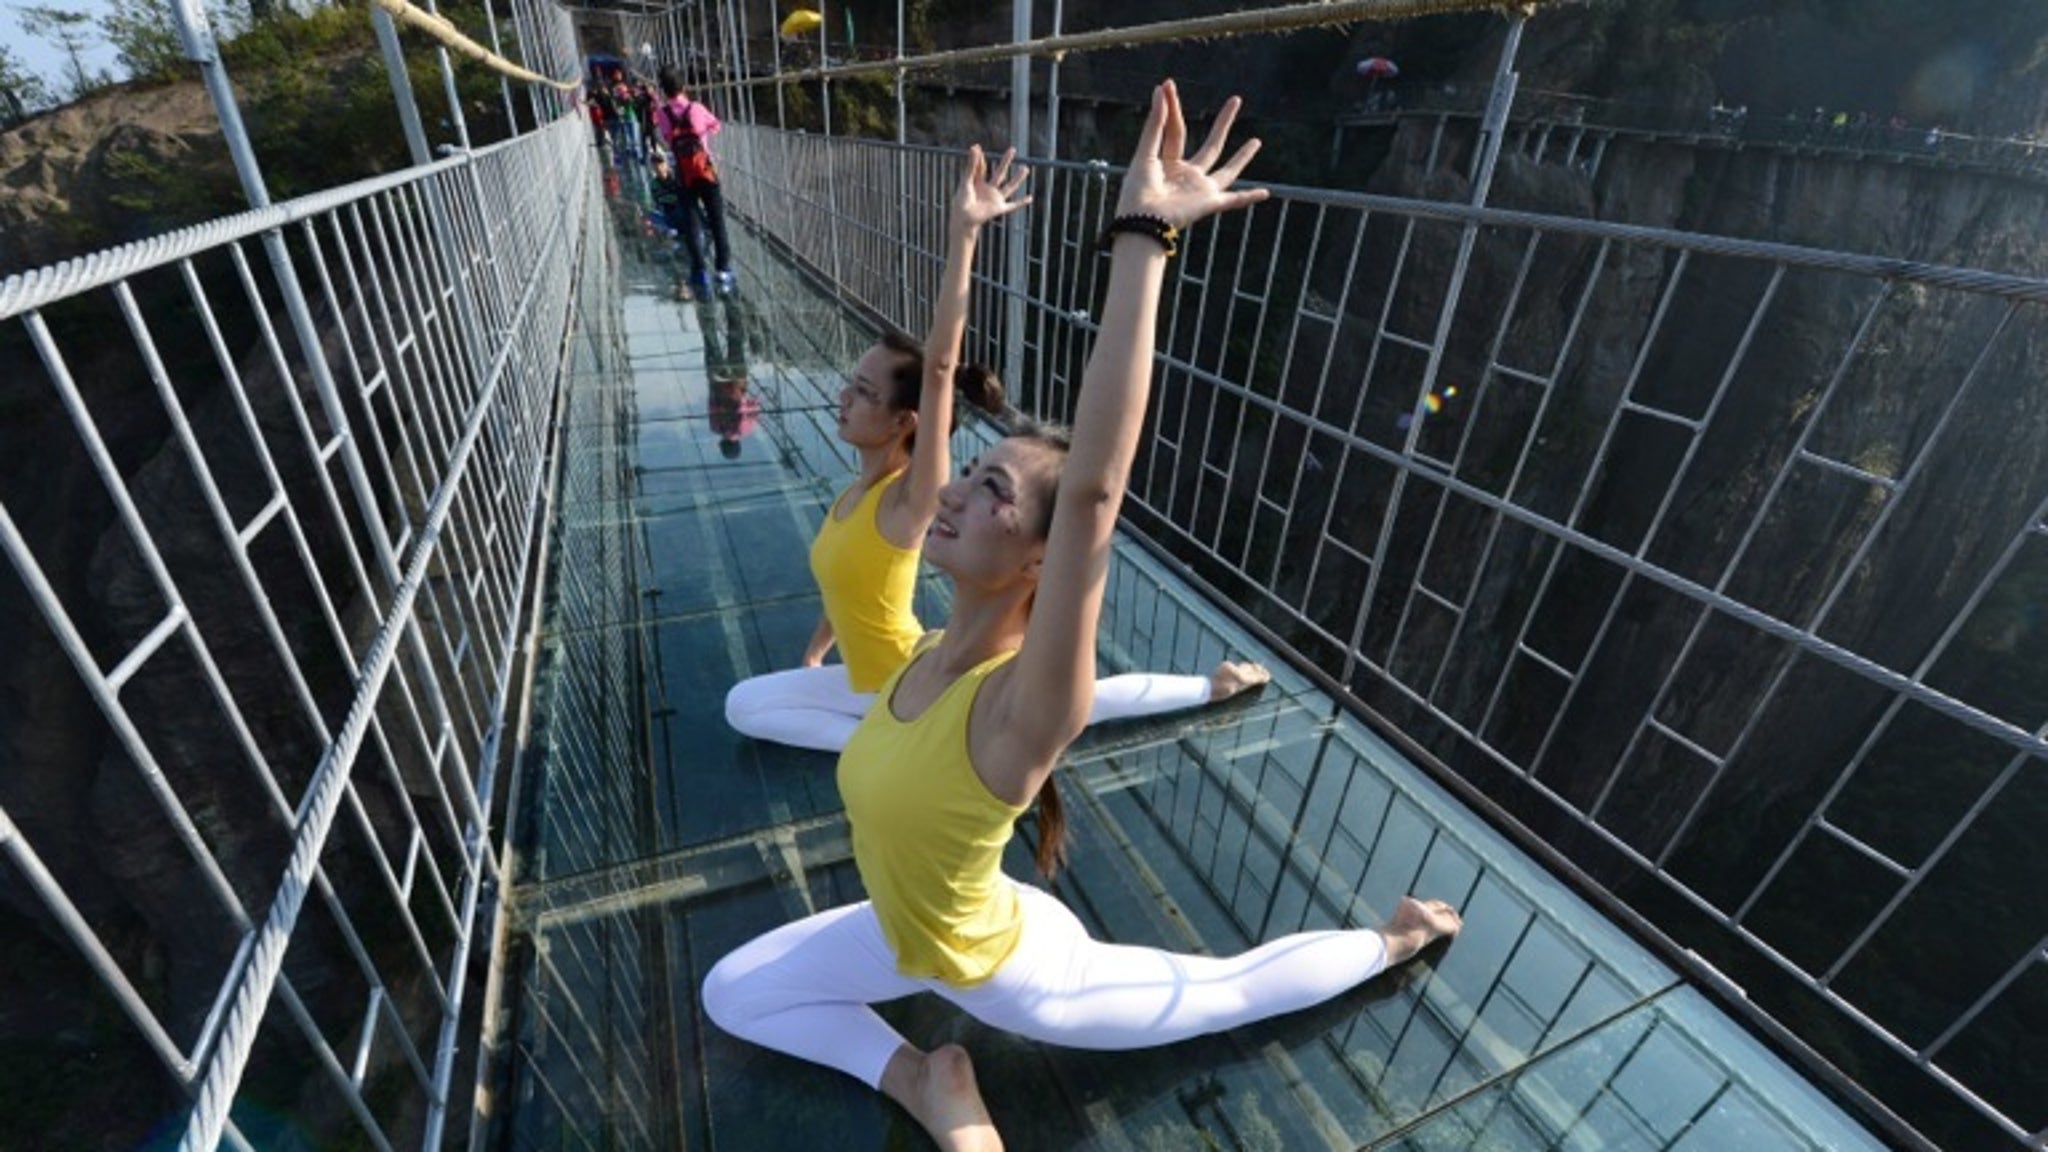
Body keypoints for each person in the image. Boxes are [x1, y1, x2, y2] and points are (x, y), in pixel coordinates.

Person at [701, 82, 1462, 1151]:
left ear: (1042, 559)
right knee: (731, 991)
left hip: (1016, 973)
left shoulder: (1022, 700)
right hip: (904, 935)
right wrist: (962, 243)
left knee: (1221, 993)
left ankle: (1389, 939)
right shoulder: (921, 650)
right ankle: (923, 1078)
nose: (958, 492)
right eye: (967, 470)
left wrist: (1143, 238)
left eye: (995, 494)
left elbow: (1097, 486)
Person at [722, 142, 1269, 754]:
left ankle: (890, 743)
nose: (844, 398)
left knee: (1077, 699)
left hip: (892, 680)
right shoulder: (857, 489)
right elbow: (844, 584)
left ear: (907, 421)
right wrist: (818, 650)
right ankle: (890, 734)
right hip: (886, 669)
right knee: (744, 704)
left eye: (863, 391)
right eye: (850, 384)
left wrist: (964, 239)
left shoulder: (911, 497)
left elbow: (938, 373)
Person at [654, 67, 735, 298]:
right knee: (717, 221)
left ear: (665, 90)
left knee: (691, 225)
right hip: (706, 173)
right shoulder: (697, 108)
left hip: (683, 175)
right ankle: (723, 270)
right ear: (684, 87)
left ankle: (699, 272)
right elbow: (716, 125)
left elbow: (668, 137)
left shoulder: (662, 114)